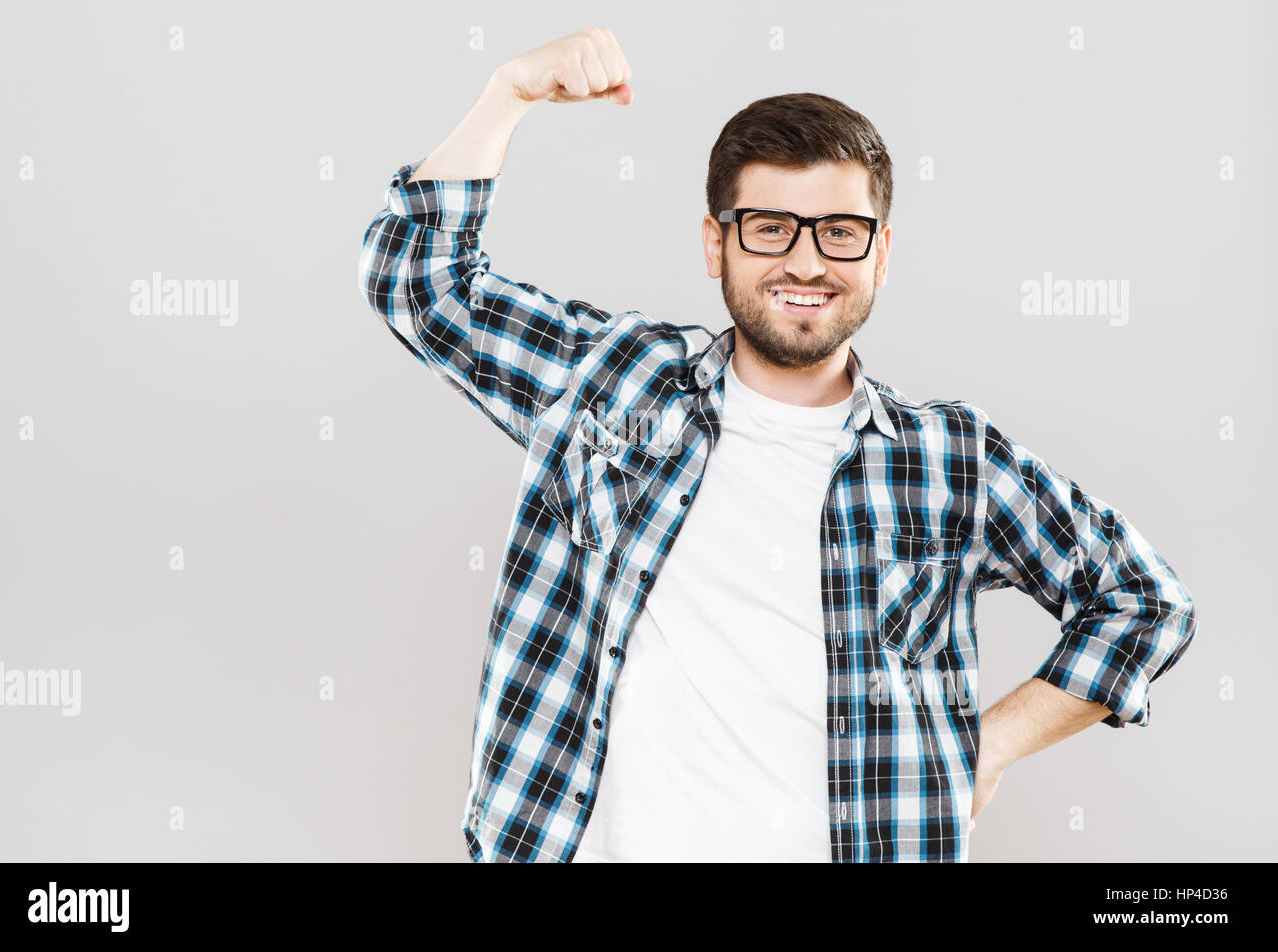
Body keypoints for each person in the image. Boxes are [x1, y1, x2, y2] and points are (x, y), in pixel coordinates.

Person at [357, 27, 1197, 862]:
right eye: (769, 227)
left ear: (882, 254)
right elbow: (417, 280)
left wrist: (988, 748)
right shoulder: (613, 379)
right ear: (715, 243)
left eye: (839, 231)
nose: (805, 262)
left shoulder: (949, 460)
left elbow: (1144, 601)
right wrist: (511, 92)